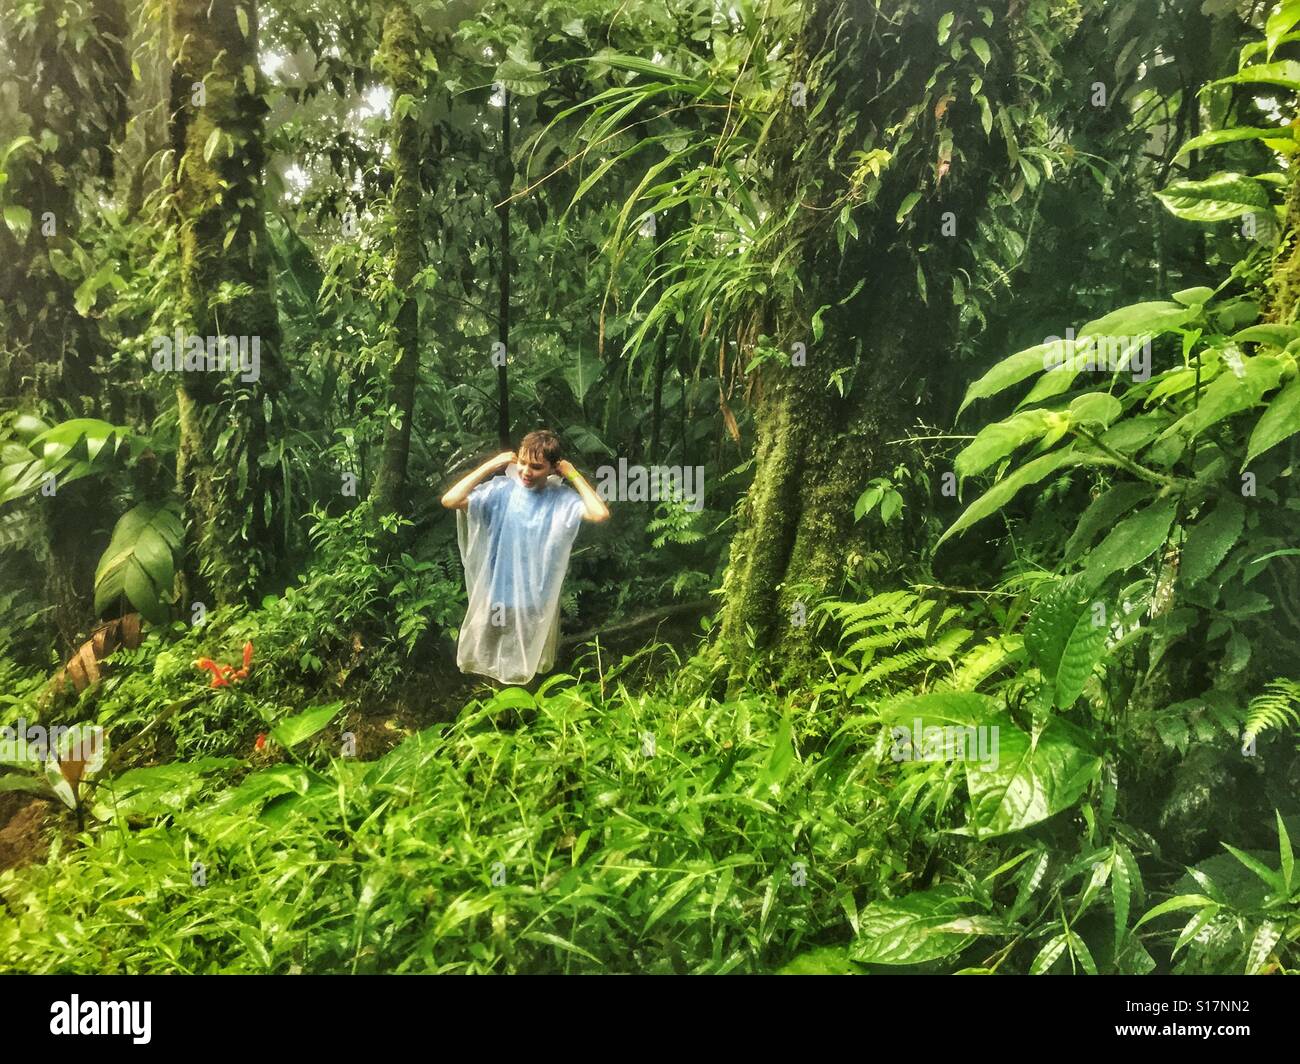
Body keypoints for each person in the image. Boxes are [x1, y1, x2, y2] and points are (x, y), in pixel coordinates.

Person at [441, 430, 610, 684]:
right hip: (497, 597)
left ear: (553, 468)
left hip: (532, 602)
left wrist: (572, 473)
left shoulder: (562, 500)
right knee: (489, 665)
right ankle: (495, 716)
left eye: (536, 466)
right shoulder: (500, 492)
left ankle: (523, 719)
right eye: (522, 462)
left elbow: (599, 513)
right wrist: (492, 464)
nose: (526, 472)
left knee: (525, 668)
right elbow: (450, 499)